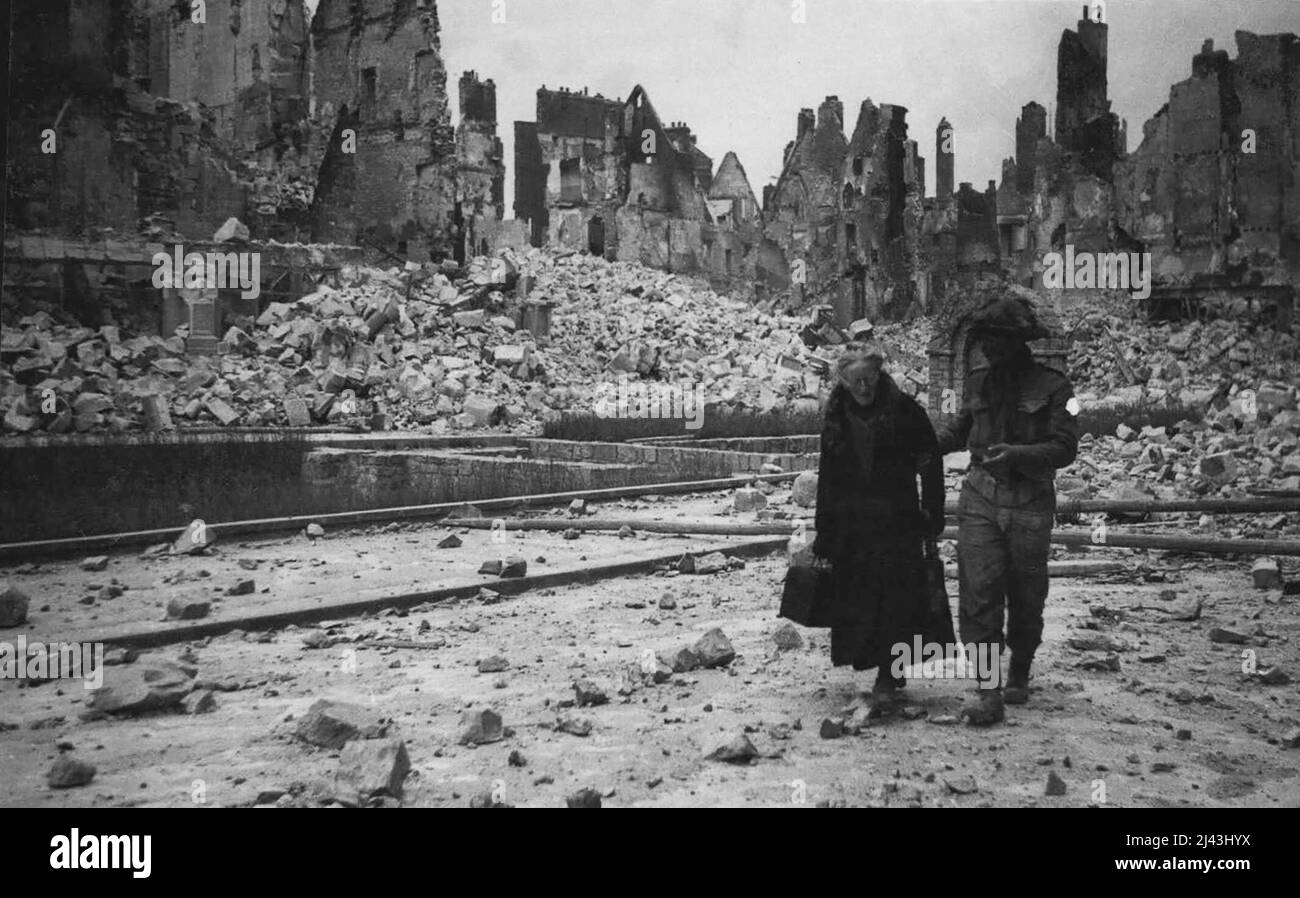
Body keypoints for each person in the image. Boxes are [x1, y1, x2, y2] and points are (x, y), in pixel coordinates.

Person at [936, 297, 1079, 726]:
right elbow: (960, 429)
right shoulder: (978, 382)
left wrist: (1018, 455)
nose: (989, 351)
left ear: (1019, 344)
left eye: (998, 343)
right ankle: (986, 685)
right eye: (985, 342)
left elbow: (1066, 448)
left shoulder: (1059, 388)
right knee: (978, 590)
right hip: (979, 497)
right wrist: (920, 443)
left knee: (1026, 592)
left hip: (1030, 503)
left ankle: (1019, 668)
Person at [812, 342, 946, 712]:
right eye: (856, 381)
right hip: (852, 529)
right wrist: (824, 530)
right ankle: (884, 665)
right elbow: (827, 477)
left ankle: (888, 675)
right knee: (861, 600)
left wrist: (931, 513)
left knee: (896, 601)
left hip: (896, 524)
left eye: (869, 379)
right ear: (843, 380)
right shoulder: (836, 416)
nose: (864, 388)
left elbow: (930, 461)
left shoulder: (904, 411)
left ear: (880, 374)